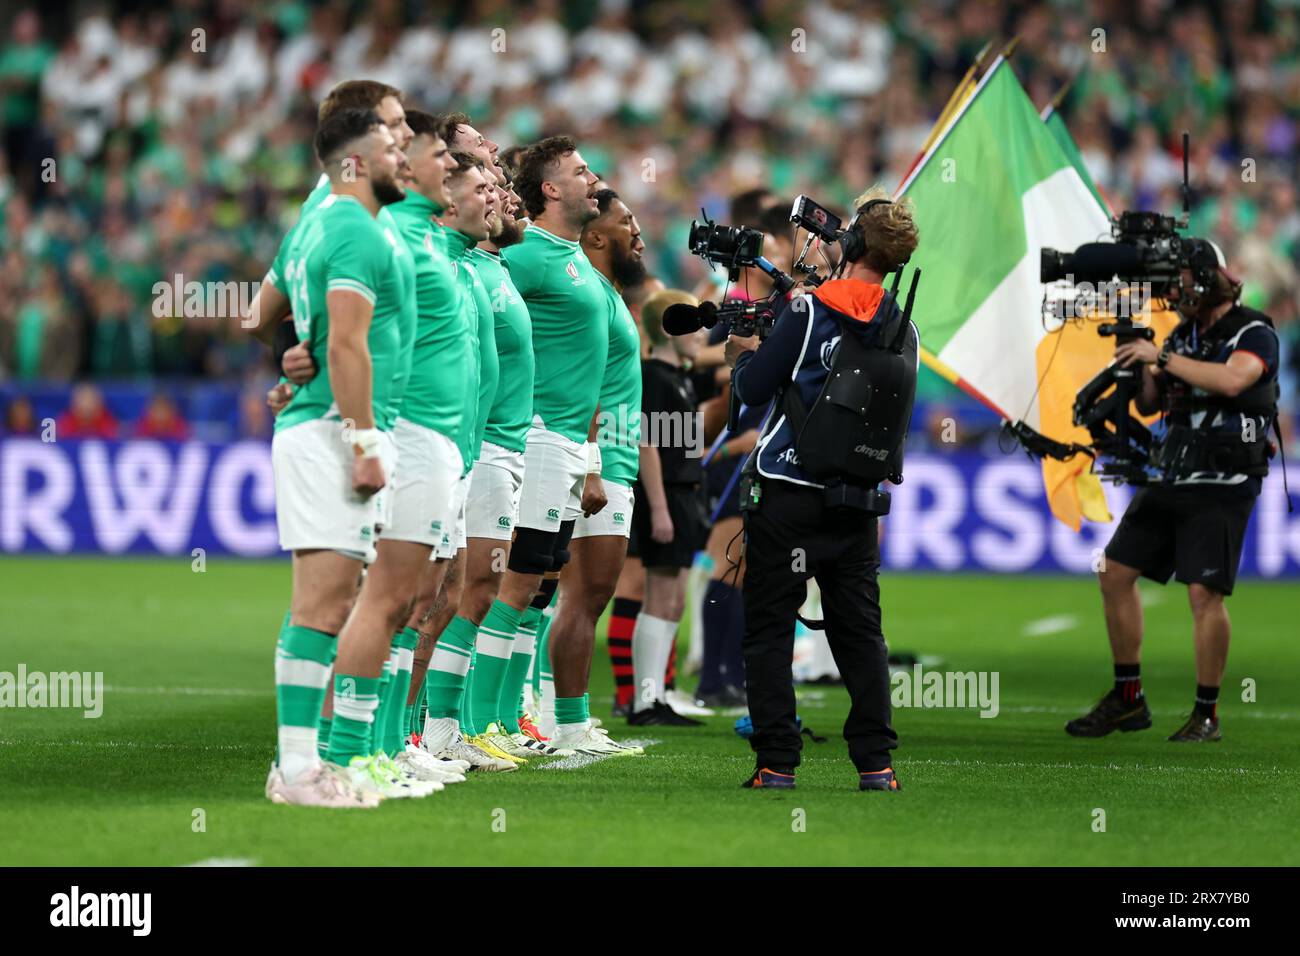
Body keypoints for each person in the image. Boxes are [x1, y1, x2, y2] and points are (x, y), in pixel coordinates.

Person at [726, 187, 919, 791]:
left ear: (855, 243)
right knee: (860, 634)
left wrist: (741, 356)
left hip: (787, 489)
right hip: (857, 499)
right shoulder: (904, 328)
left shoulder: (808, 311)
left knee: (768, 628)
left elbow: (755, 390)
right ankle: (876, 766)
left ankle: (777, 763)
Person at [1067, 239, 1281, 743]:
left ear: (1208, 279)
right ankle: (1127, 698)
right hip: (1174, 471)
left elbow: (1233, 380)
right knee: (1114, 571)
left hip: (1225, 479)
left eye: (1183, 281)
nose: (1176, 291)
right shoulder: (1183, 334)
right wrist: (1137, 363)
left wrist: (1160, 354)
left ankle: (1206, 714)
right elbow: (1148, 403)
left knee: (1204, 593)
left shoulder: (1254, 329)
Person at [499, 135, 643, 757]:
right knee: (519, 589)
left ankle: (529, 720)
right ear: (551, 189)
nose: (595, 179)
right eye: (582, 172)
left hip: (576, 448)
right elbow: (469, 309)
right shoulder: (526, 252)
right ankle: (534, 722)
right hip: (543, 442)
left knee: (540, 588)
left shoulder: (576, 265)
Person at [625, 287, 709, 726]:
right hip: (669, 495)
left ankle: (657, 694)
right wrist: (658, 507)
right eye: (691, 324)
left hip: (685, 494)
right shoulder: (655, 376)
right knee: (659, 597)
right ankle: (645, 700)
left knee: (672, 599)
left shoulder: (678, 376)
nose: (699, 334)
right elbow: (647, 443)